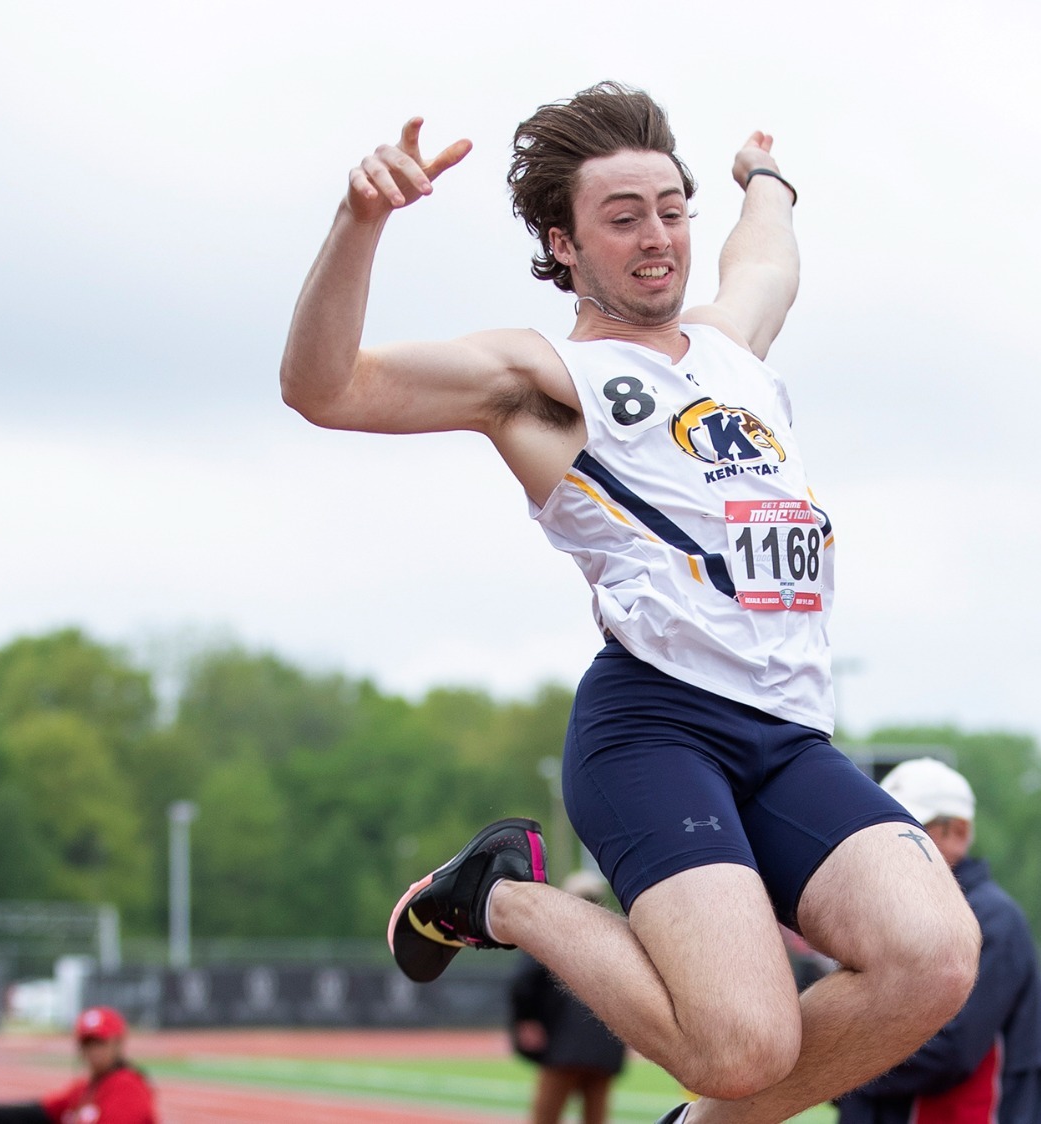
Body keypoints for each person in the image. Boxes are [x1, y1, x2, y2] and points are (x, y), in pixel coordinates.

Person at [282, 82, 980, 1124]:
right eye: (622, 218)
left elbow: (766, 258)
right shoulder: (541, 375)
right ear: (561, 243)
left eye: (670, 208)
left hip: (786, 733)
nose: (657, 237)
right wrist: (358, 222)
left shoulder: (728, 348)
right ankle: (498, 895)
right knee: (739, 1044)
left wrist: (765, 177)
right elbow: (324, 386)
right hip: (655, 726)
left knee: (932, 956)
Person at [836, 759, 1041, 1124]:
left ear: (956, 832)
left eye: (906, 829)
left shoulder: (991, 918)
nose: (882, 843)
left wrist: (831, 1066)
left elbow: (948, 1051)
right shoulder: (888, 911)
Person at [511, 871, 629, 1124]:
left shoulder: (553, 931)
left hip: (563, 1041)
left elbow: (524, 981)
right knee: (595, 1117)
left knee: (545, 1115)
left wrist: (526, 1018)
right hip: (605, 1042)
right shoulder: (618, 936)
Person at [0, 1007, 157, 1124]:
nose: (94, 1051)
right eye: (87, 1043)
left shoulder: (127, 1087)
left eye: (100, 1042)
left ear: (118, 1044)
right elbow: (40, 1112)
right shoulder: (84, 1089)